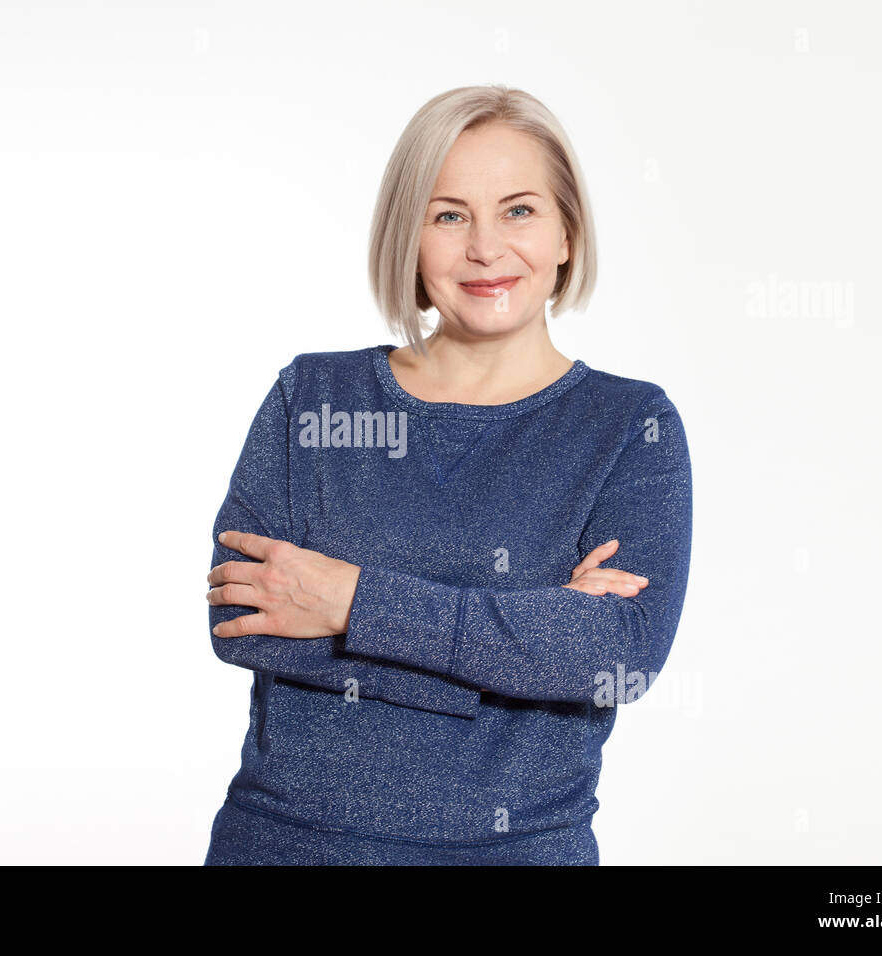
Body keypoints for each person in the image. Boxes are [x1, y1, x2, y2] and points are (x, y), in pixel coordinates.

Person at [202, 84, 693, 865]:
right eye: (449, 214)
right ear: (410, 234)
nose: (486, 249)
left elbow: (612, 659)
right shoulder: (314, 398)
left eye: (520, 211)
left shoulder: (628, 425)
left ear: (568, 233)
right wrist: (518, 640)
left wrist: (347, 599)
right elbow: (238, 618)